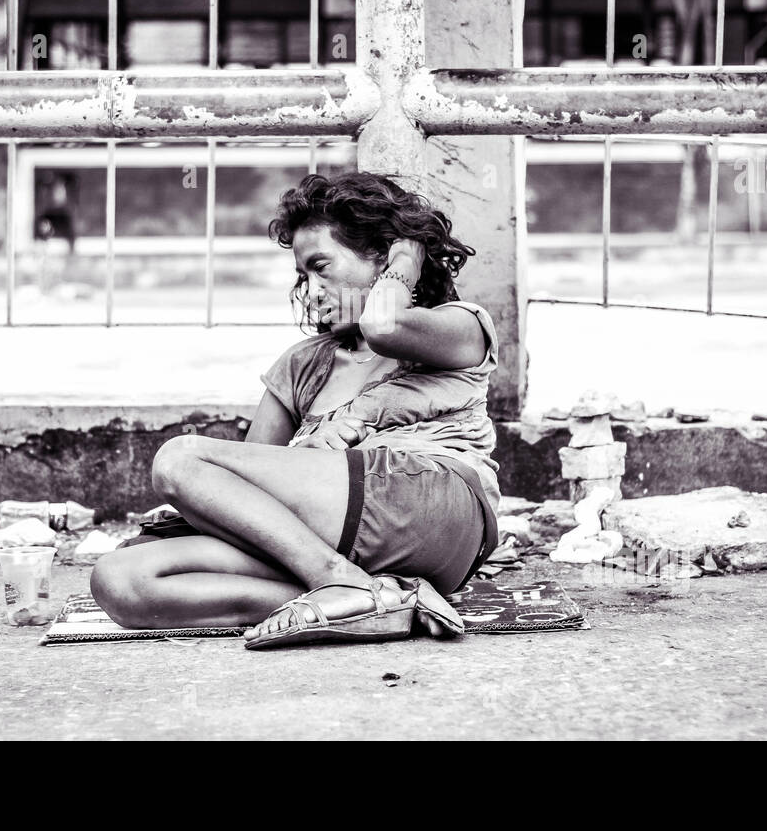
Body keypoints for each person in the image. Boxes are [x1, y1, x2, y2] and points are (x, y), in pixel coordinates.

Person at [90, 171, 501, 648]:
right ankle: (381, 598)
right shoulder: (303, 363)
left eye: (322, 266)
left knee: (180, 459)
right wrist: (310, 454)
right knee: (121, 579)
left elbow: (383, 324)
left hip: (433, 508)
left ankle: (337, 580)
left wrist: (407, 255)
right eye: (303, 274)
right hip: (340, 535)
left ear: (382, 254)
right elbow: (234, 496)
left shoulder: (460, 327)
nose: (312, 288)